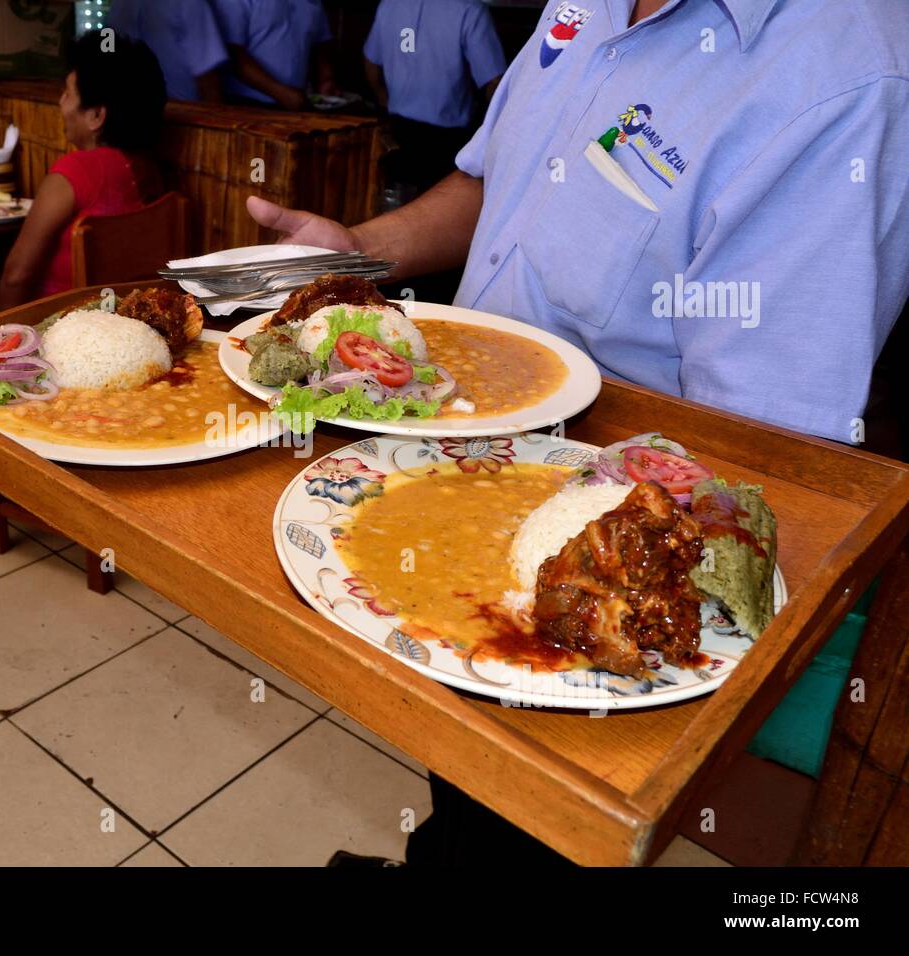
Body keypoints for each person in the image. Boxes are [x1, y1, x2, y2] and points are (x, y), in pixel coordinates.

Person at [248, 0, 909, 864]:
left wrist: (569, 574)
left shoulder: (844, 73)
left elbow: (760, 454)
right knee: (464, 777)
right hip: (456, 477)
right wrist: (358, 253)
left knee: (532, 827)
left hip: (594, 546)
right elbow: (494, 181)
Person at [0, 31, 167, 309]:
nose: (60, 102)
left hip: (59, 330)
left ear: (96, 116)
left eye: (67, 93)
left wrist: (3, 344)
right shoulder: (150, 172)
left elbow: (16, 276)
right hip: (125, 324)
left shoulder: (75, 172)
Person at [365, 0, 506, 193]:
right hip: (446, 141)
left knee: (397, 204)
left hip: (395, 130)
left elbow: (371, 62)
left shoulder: (390, 4)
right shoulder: (469, 9)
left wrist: (384, 99)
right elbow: (494, 82)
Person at [211, 0, 336, 109]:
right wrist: (282, 93)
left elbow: (319, 42)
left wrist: (325, 79)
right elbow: (231, 52)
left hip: (298, 104)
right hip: (245, 104)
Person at [108, 0, 229, 102]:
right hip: (185, 115)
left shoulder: (119, 4)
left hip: (130, 111)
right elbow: (208, 84)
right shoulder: (189, 3)